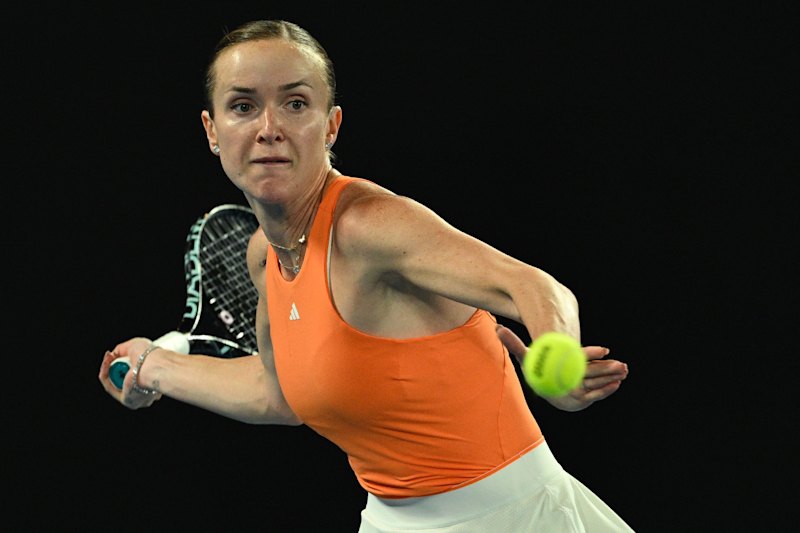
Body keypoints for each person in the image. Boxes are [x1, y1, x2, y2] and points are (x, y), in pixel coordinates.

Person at [99, 19, 633, 532]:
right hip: (388, 520)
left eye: (295, 103)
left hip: (517, 519)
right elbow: (277, 392)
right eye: (243, 106)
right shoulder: (264, 256)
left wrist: (558, 363)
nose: (269, 129)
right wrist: (153, 366)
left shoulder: (368, 226)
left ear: (330, 125)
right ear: (212, 131)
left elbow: (532, 285)